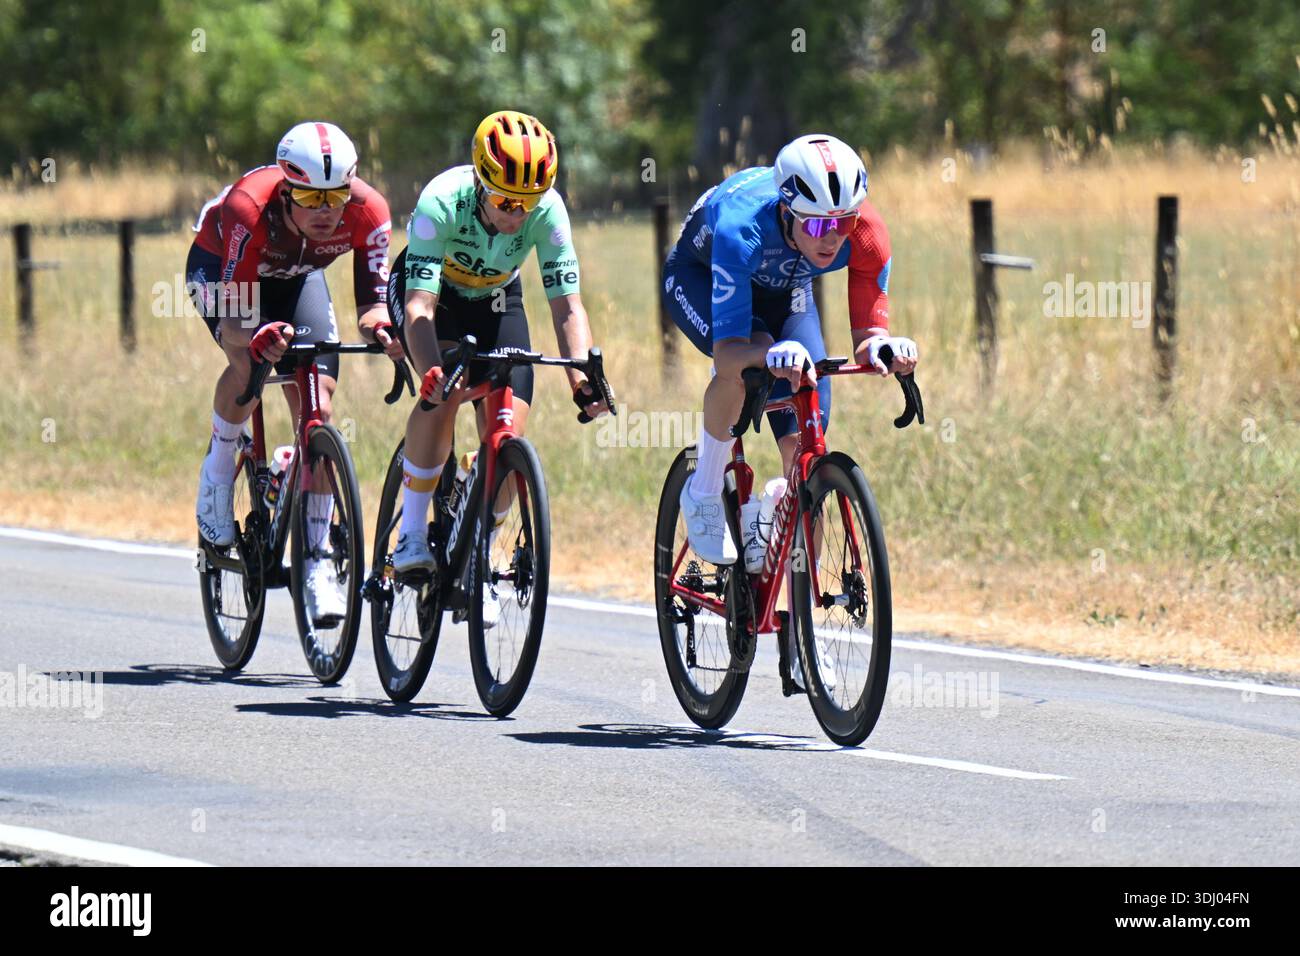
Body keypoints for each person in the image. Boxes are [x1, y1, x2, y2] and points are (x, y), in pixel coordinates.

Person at [661, 133, 919, 688]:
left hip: (788, 284)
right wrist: (762, 352)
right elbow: (731, 350)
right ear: (788, 210)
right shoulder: (742, 228)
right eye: (821, 225)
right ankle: (704, 489)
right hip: (703, 275)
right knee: (744, 367)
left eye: (844, 223)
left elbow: (868, 328)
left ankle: (801, 629)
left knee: (805, 449)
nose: (835, 237)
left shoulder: (862, 229)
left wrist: (880, 348)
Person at [385, 110, 609, 624]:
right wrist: (431, 373)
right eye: (507, 201)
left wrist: (581, 378)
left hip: (495, 300)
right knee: (443, 398)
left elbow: (567, 307)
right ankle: (412, 534)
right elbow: (418, 308)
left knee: (509, 435)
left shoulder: (548, 213)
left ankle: (477, 560)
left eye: (527, 203)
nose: (517, 214)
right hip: (432, 296)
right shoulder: (440, 203)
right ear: (481, 183)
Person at [188, 121, 402, 625]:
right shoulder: (249, 207)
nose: (327, 212)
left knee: (319, 405)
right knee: (249, 364)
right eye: (310, 196)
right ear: (286, 188)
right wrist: (254, 335)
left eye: (337, 196)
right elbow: (238, 321)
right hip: (223, 268)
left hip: (298, 278)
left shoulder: (370, 213)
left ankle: (316, 563)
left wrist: (383, 332)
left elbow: (372, 304)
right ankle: (218, 475)